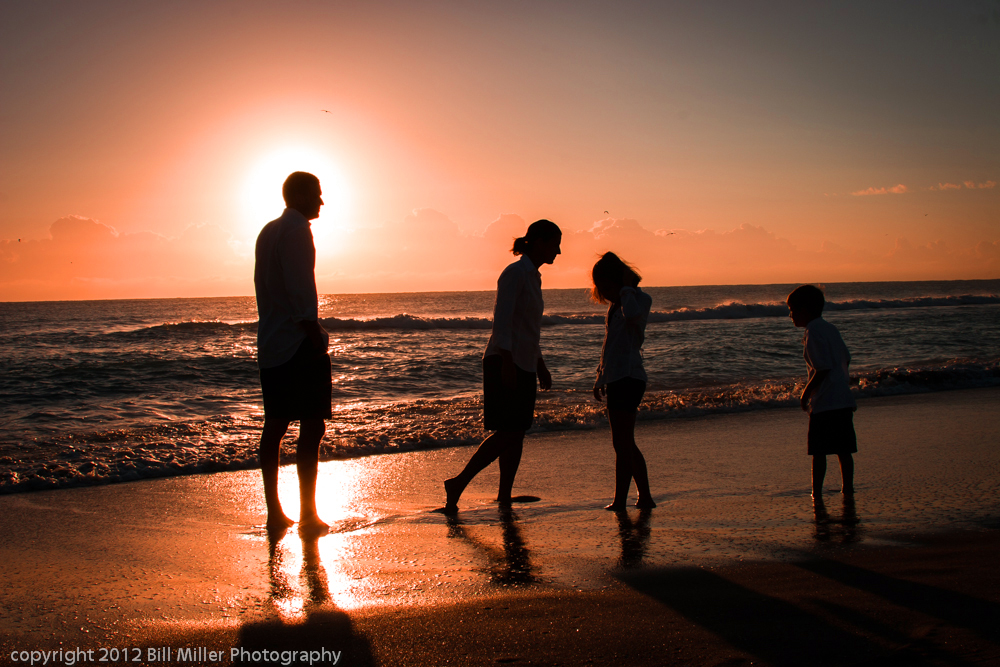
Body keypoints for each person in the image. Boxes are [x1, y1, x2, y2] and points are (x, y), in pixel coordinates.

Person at [444, 220, 562, 511]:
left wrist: (540, 363)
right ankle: (458, 482)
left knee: (517, 430)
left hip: (523, 361)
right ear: (538, 242)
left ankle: (504, 495)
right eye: (554, 243)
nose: (558, 251)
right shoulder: (515, 273)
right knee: (508, 432)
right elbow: (503, 320)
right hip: (504, 360)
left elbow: (528, 328)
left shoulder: (533, 277)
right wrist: (508, 362)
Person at [254, 171, 332, 535]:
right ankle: (308, 514)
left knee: (275, 426)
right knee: (312, 425)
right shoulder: (298, 229)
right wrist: (312, 331)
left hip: (271, 343)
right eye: (316, 193)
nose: (321, 201)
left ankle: (274, 511)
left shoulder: (268, 231)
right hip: (297, 342)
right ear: (300, 195)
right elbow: (300, 289)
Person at [591, 252, 655, 511]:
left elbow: (632, 317)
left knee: (622, 442)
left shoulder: (638, 300)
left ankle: (621, 499)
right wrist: (600, 375)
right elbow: (611, 346)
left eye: (607, 286)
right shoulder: (615, 305)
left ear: (620, 281)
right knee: (624, 442)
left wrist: (628, 286)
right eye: (600, 288)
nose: (604, 293)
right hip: (616, 378)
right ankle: (644, 496)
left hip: (630, 377)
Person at [786, 284, 857, 499]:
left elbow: (822, 368)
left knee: (819, 452)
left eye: (792, 310)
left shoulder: (813, 332)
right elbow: (846, 357)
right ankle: (848, 488)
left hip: (825, 402)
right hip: (843, 399)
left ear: (804, 311)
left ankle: (816, 492)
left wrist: (806, 393)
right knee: (844, 450)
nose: (790, 315)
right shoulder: (829, 328)